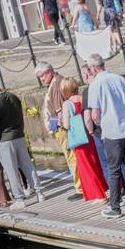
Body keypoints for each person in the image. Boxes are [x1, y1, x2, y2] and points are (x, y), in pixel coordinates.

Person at [83, 53, 125, 219]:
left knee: (113, 170)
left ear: (93, 68)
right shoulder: (119, 78)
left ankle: (115, 207)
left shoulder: (95, 85)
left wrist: (102, 123)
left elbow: (94, 114)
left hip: (112, 132)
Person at [0, 74, 42, 208]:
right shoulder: (14, 97)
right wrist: (20, 131)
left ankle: (20, 199)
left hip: (5, 140)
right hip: (19, 136)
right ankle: (40, 193)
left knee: (11, 170)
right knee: (28, 166)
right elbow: (21, 117)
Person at [59, 77, 108, 202]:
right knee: (96, 163)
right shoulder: (83, 98)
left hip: (79, 140)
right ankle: (104, 188)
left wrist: (60, 120)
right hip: (90, 135)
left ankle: (99, 195)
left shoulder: (66, 104)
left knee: (86, 167)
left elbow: (67, 125)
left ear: (65, 90)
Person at [36, 61, 79, 195]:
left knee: (72, 157)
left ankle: (80, 188)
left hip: (62, 129)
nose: (41, 79)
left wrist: (53, 128)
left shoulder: (56, 85)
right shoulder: (54, 83)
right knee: (71, 157)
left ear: (49, 72)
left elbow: (58, 112)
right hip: (60, 129)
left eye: (42, 76)